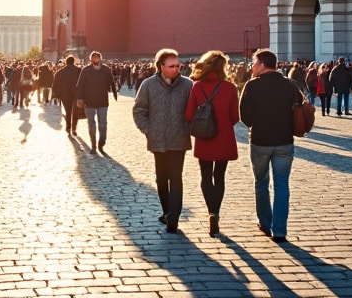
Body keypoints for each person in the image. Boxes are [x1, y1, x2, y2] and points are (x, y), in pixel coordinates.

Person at [238, 49, 298, 243]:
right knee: (282, 185)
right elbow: (299, 108)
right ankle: (279, 231)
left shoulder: (252, 86)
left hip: (260, 142)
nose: (253, 67)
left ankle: (265, 223)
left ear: (263, 64)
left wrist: (257, 122)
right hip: (284, 141)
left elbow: (244, 117)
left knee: (261, 182)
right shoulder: (289, 84)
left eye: (255, 63)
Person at [131, 48, 192, 234]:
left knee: (176, 178)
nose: (176, 69)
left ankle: (173, 217)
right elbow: (139, 110)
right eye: (171, 66)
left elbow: (195, 110)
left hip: (179, 140)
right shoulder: (149, 85)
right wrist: (149, 131)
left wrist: (188, 128)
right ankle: (167, 212)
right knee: (161, 179)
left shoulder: (188, 85)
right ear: (160, 67)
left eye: (178, 65)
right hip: (157, 141)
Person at [183, 50, 239, 237]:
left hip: (205, 138)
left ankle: (210, 212)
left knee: (206, 176)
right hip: (224, 138)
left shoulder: (197, 87)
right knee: (220, 176)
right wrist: (222, 122)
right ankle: (216, 212)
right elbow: (235, 117)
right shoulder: (230, 88)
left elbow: (189, 115)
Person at [74, 51, 118, 153]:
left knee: (103, 124)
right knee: (91, 124)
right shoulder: (86, 70)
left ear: (100, 58)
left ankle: (101, 143)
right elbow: (80, 85)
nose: (95, 59)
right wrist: (80, 98)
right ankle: (93, 145)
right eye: (93, 57)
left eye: (97, 57)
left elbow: (111, 81)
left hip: (102, 101)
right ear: (91, 59)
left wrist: (114, 92)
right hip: (89, 101)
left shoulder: (106, 70)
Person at [52, 55, 81, 136]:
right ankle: (74, 128)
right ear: (74, 61)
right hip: (76, 94)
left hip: (64, 95)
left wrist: (55, 94)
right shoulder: (79, 71)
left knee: (68, 111)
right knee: (75, 112)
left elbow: (54, 84)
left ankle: (68, 126)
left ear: (66, 62)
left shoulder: (60, 72)